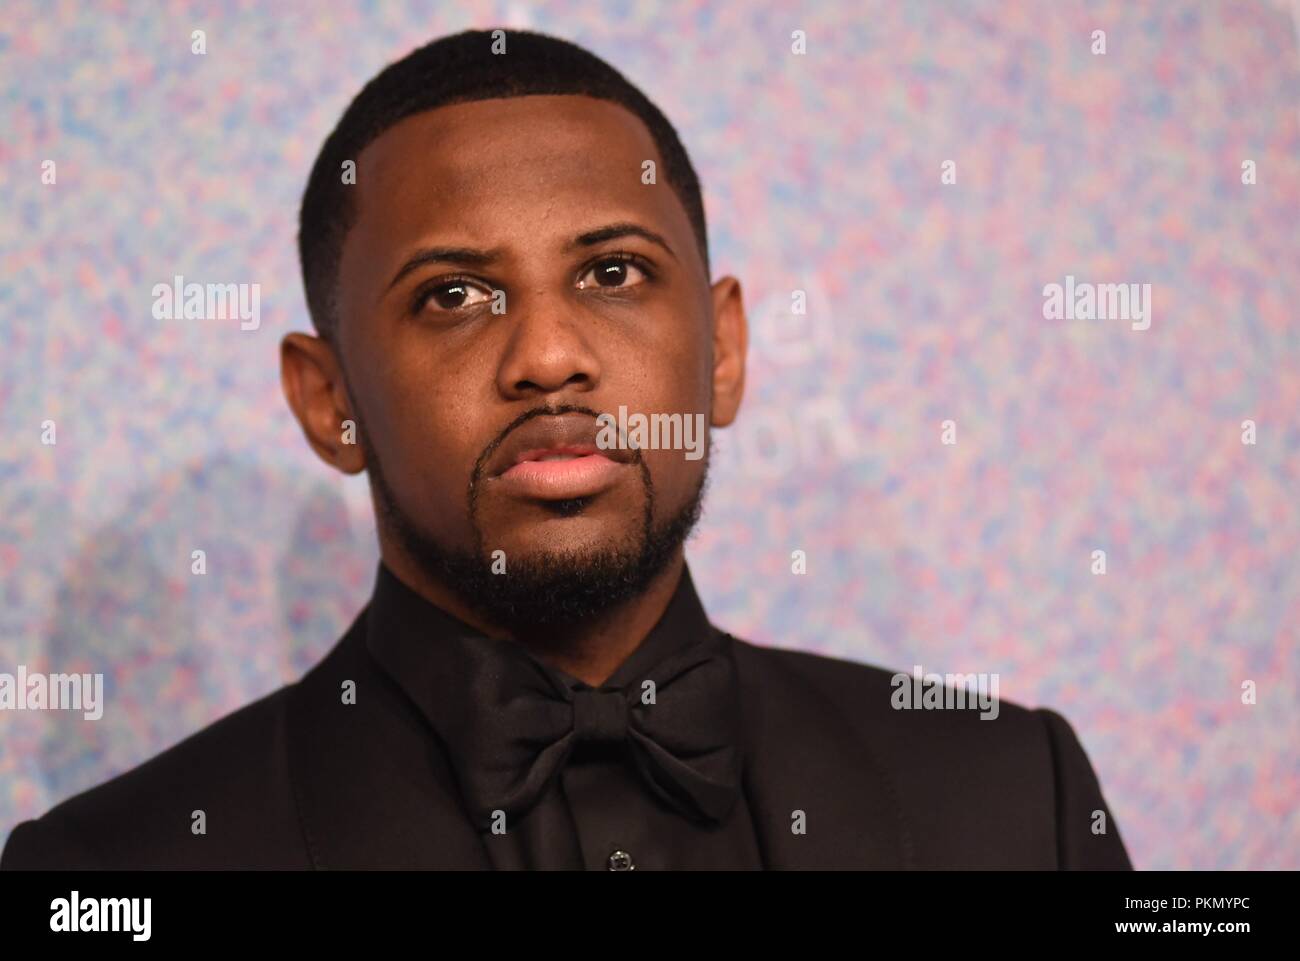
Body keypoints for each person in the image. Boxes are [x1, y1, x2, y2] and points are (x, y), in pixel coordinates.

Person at [1, 28, 1131, 870]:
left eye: (613, 273)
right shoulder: (115, 870)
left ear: (723, 351)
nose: (546, 354)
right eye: (452, 295)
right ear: (327, 398)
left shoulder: (1010, 799)